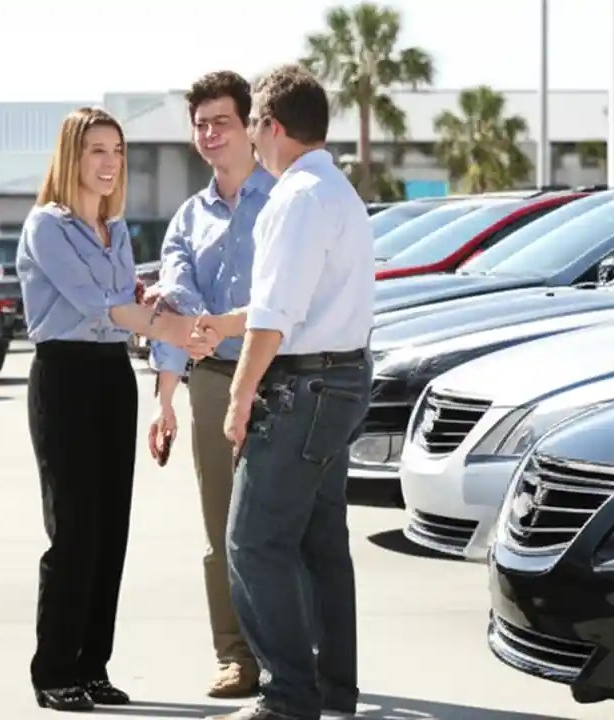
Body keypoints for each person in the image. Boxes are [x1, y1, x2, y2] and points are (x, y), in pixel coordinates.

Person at [17, 106, 215, 712]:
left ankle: (92, 667)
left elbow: (126, 304)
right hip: (65, 377)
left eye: (118, 151)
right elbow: (100, 305)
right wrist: (177, 330)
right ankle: (55, 671)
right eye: (97, 150)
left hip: (111, 376)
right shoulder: (47, 225)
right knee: (74, 530)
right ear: (71, 156)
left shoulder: (118, 229)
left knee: (110, 531)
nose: (110, 163)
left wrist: (157, 318)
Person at [196, 64, 375, 720]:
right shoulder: (337, 190)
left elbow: (276, 318)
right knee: (320, 542)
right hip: (340, 379)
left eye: (250, 126)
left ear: (270, 126)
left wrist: (239, 398)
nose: (248, 138)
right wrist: (227, 324)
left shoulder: (295, 197)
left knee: (252, 543)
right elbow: (296, 301)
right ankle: (332, 689)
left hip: (303, 389)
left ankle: (289, 697)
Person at [143, 70, 275, 699]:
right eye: (200, 124)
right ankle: (235, 655)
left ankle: (295, 656)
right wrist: (165, 398)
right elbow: (174, 295)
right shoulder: (189, 217)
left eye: (222, 121)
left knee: (282, 526)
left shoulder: (283, 199)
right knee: (221, 526)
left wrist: (211, 324)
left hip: (280, 377)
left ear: (249, 125)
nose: (210, 133)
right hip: (214, 378)